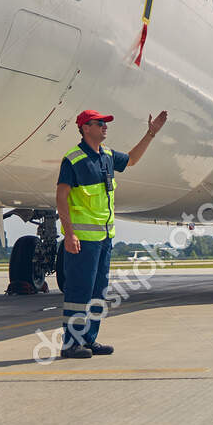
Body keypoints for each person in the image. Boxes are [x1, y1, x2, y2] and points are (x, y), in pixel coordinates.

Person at [55, 108, 166, 358]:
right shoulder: (73, 160)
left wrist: (151, 134)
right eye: (100, 123)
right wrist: (69, 234)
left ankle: (89, 340)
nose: (105, 127)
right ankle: (71, 344)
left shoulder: (106, 155)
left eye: (105, 123)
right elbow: (61, 197)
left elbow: (132, 160)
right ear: (85, 128)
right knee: (78, 293)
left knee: (98, 292)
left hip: (104, 239)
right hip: (83, 240)